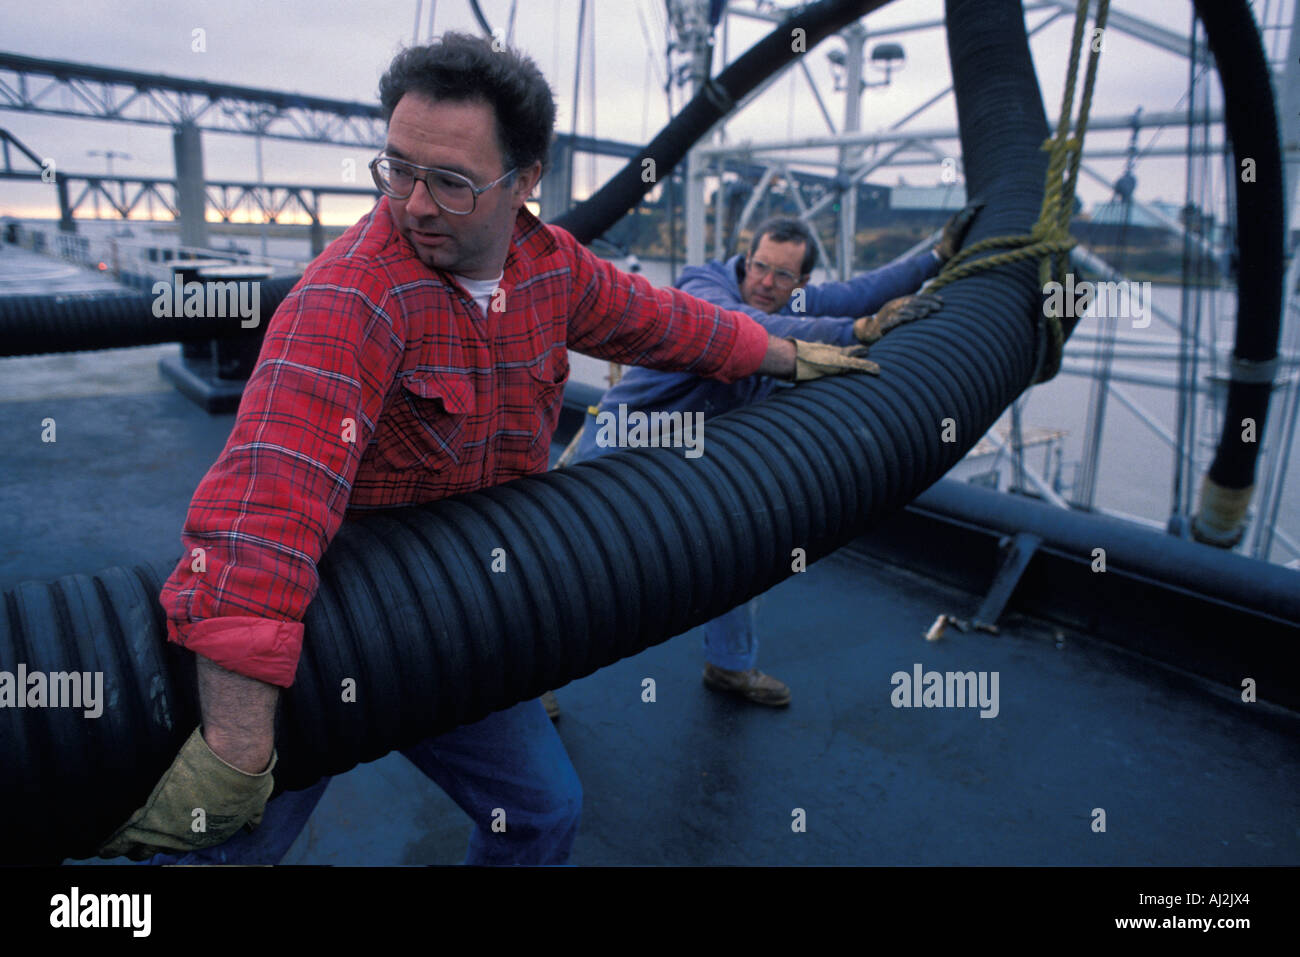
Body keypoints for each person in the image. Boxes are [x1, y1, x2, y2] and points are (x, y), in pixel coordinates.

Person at [95, 33, 877, 866]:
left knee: (541, 812)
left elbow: (671, 322)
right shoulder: (351, 298)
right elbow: (266, 511)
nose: (415, 204)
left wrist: (788, 354)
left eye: (452, 181)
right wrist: (239, 745)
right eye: (397, 169)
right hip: (332, 638)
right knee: (225, 848)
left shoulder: (549, 270)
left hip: (457, 615)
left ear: (526, 181)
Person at [569, 207, 979, 706]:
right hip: (625, 439)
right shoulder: (703, 285)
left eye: (782, 274)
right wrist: (859, 330)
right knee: (582, 566)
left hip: (699, 454)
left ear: (802, 280)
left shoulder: (797, 304)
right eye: (758, 266)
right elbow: (746, 326)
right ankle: (532, 684)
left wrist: (936, 258)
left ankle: (730, 667)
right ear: (744, 259)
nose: (764, 281)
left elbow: (856, 293)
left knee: (739, 552)